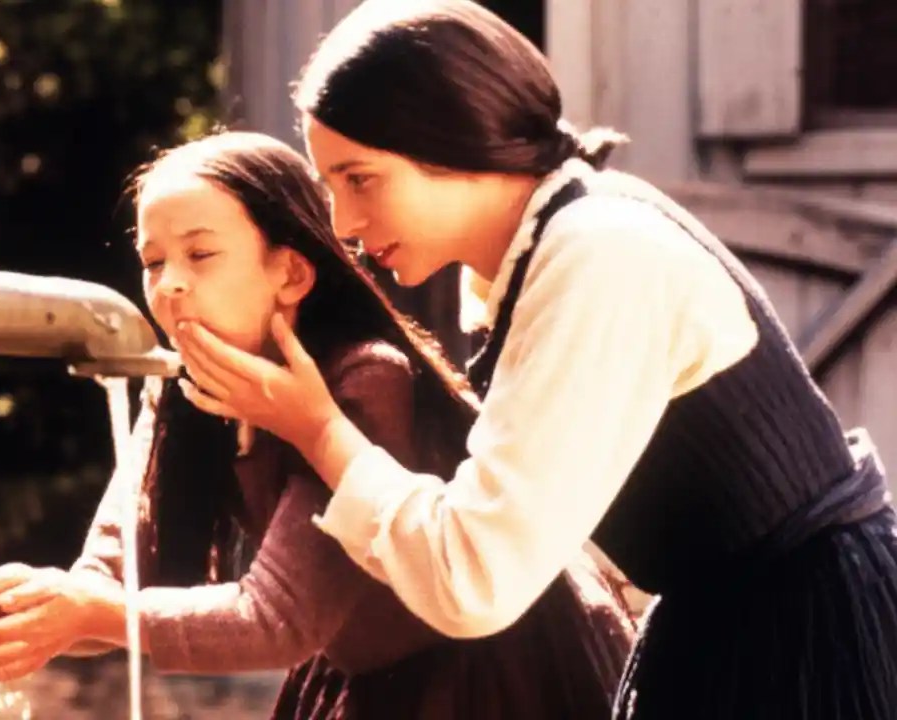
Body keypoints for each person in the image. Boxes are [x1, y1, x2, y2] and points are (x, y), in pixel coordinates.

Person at [169, 2, 897, 719]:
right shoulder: (520, 265)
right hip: (725, 629)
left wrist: (318, 430)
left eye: (360, 179)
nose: (344, 225)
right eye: (329, 187)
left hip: (800, 643)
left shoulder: (597, 253)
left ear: (448, 140)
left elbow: (475, 576)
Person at [0, 131, 634, 719]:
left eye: (200, 255)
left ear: (291, 273)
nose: (169, 283)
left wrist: (86, 611)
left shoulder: (364, 379)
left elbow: (277, 621)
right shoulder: (182, 388)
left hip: (495, 677)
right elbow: (116, 577)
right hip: (364, 681)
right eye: (152, 261)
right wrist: (24, 608)